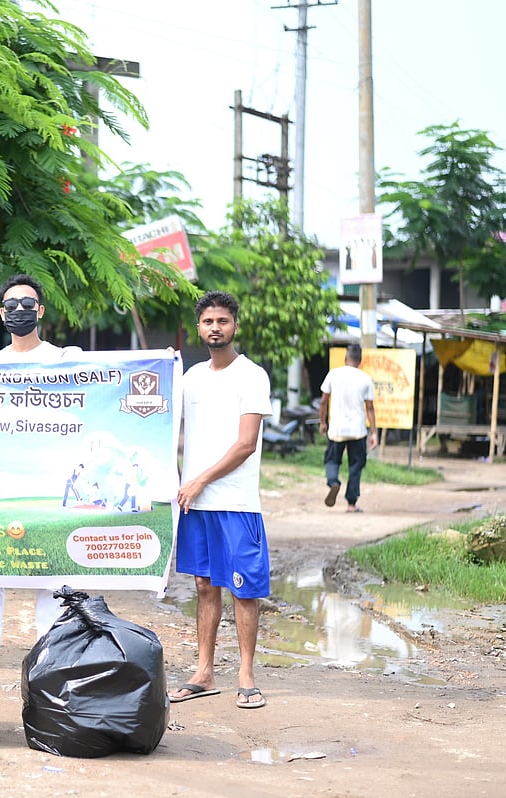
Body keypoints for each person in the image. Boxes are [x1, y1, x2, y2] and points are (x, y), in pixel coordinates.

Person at [170, 290, 272, 709]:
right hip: (197, 505)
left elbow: (246, 443)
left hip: (235, 502)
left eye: (223, 321)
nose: (215, 328)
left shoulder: (252, 376)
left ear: (234, 325)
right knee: (204, 586)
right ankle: (205, 671)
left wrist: (199, 481)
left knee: (244, 590)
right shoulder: (190, 377)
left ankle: (246, 675)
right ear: (199, 327)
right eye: (208, 321)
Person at [0, 274, 78, 658]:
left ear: (39, 310)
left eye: (27, 304)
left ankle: (54, 656)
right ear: (1, 313)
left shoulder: (62, 360)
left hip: (48, 482)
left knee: (53, 568)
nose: (19, 310)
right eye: (11, 305)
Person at [319, 344, 377, 512]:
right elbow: (370, 408)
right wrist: (374, 432)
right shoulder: (365, 378)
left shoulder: (333, 374)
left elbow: (323, 401)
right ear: (360, 360)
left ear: (346, 358)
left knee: (331, 459)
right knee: (356, 465)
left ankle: (333, 482)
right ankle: (351, 504)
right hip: (357, 430)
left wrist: (323, 422)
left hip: (336, 429)